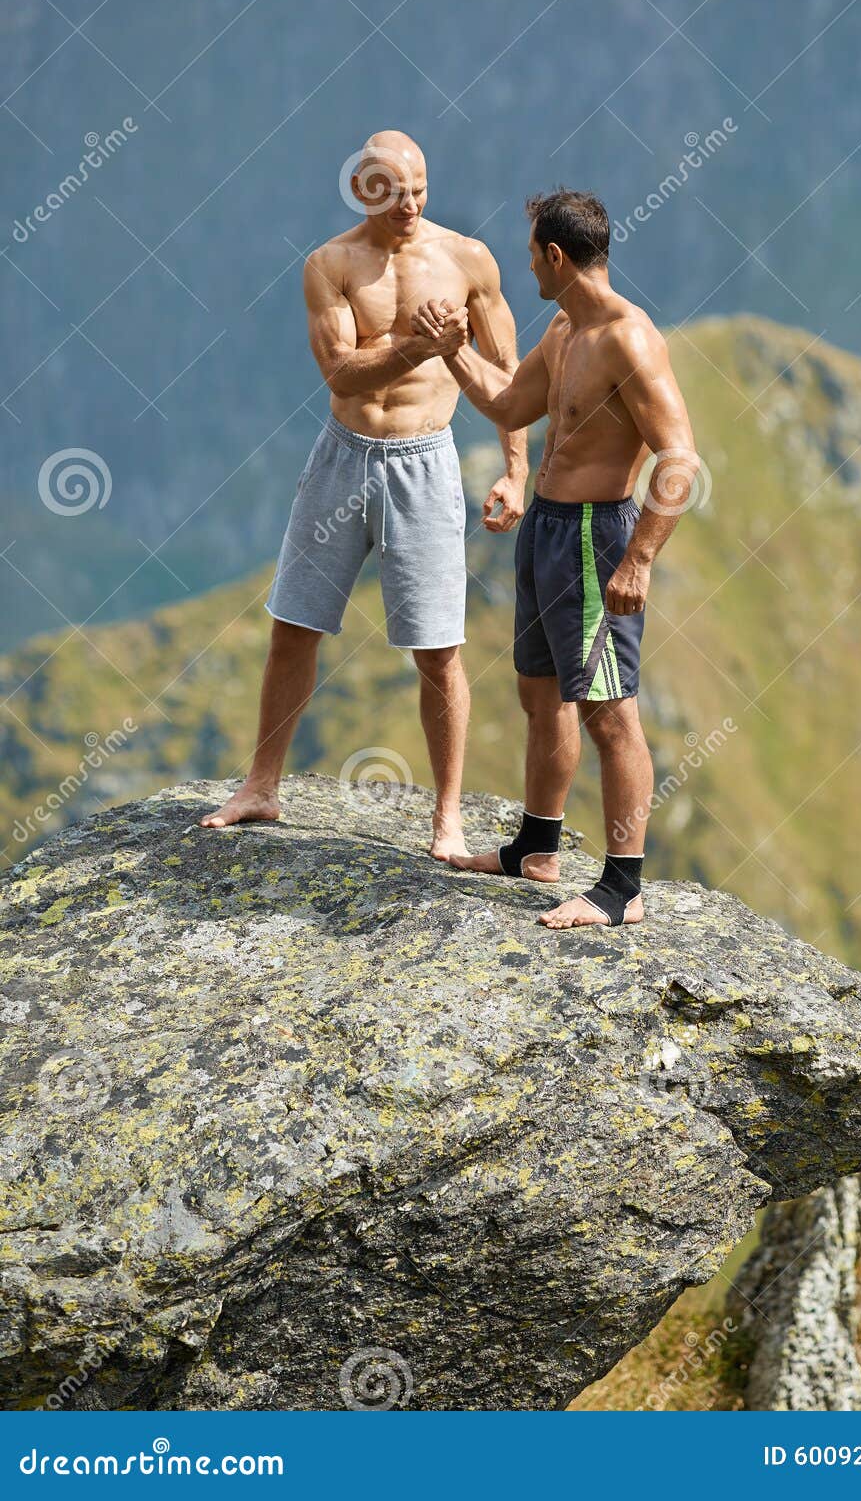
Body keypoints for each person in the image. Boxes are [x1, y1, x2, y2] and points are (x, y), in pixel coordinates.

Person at [201, 131, 528, 858]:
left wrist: (514, 469)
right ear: (364, 192)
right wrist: (417, 344)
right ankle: (261, 786)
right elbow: (343, 376)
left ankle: (447, 820)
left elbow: (508, 372)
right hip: (343, 456)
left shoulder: (467, 259)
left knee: (437, 649)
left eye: (419, 188)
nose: (409, 205)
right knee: (295, 624)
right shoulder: (331, 264)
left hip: (425, 460)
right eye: (393, 192)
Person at [410, 188, 698, 927]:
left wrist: (637, 560)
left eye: (531, 251)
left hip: (594, 536)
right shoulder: (565, 326)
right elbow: (510, 405)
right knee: (540, 693)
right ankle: (537, 848)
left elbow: (679, 459)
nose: (526, 264)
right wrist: (453, 351)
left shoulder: (627, 340)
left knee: (608, 711)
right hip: (545, 527)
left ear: (556, 256)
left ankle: (621, 889)